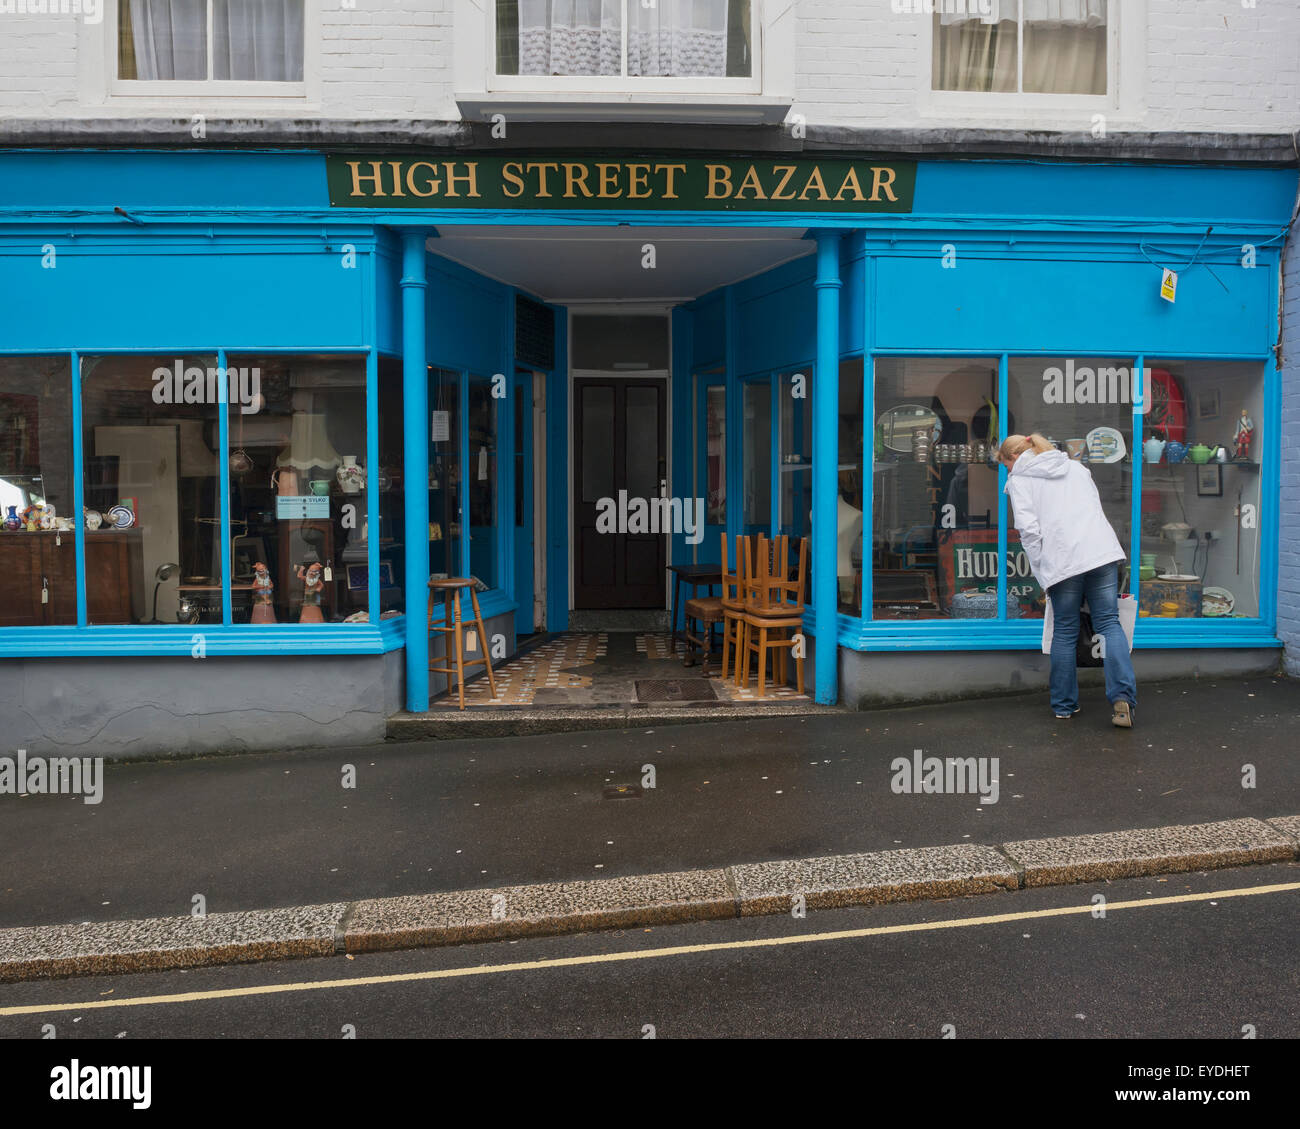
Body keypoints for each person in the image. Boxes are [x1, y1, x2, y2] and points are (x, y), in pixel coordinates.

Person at [1000, 433, 1137, 727]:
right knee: (1110, 625)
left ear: (1013, 459)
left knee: (1064, 630)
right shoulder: (1077, 468)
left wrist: (1041, 571)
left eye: (1006, 466)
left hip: (1063, 560)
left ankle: (1064, 705)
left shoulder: (1020, 481)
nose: (1008, 473)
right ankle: (1122, 699)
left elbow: (1029, 531)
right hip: (1101, 552)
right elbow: (1092, 510)